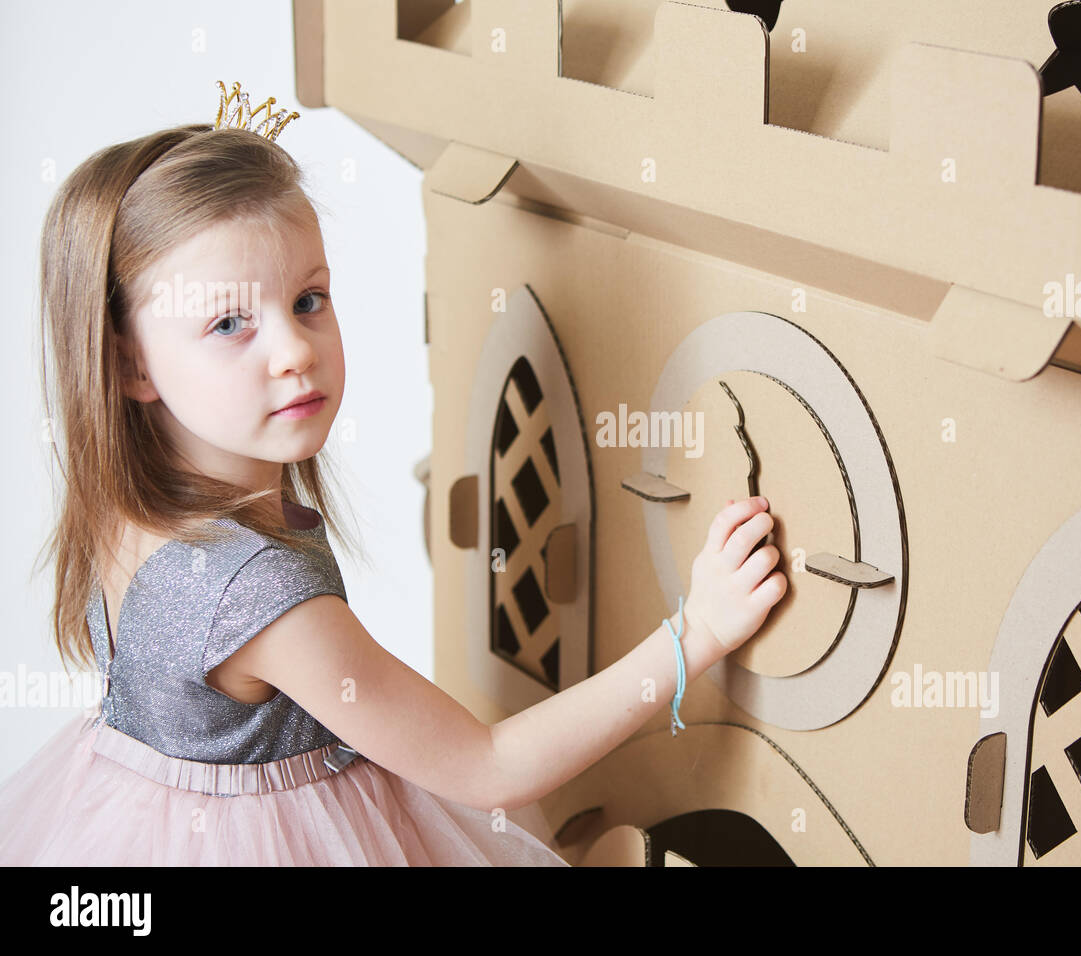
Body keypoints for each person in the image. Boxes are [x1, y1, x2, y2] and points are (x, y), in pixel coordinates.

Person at [0, 83, 788, 866]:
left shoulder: (126, 512)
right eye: (230, 322)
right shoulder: (257, 597)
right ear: (132, 363)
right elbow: (489, 767)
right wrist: (698, 634)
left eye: (308, 299)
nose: (295, 350)